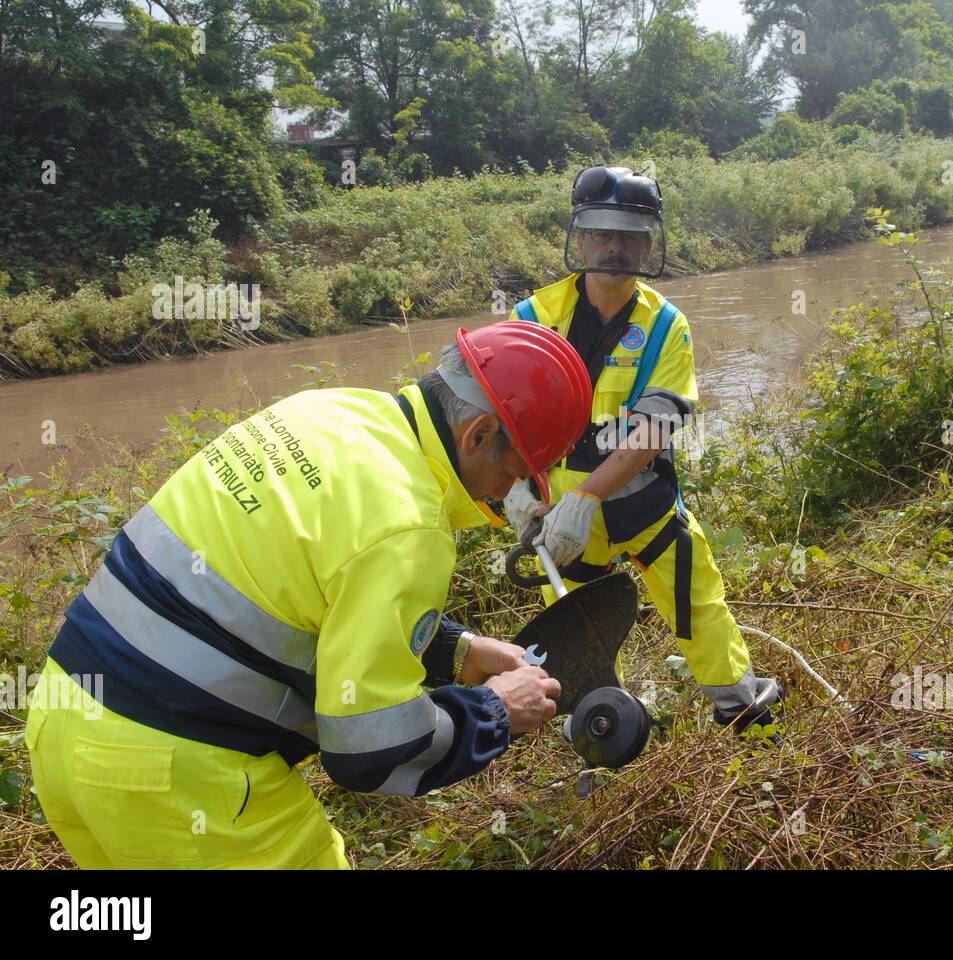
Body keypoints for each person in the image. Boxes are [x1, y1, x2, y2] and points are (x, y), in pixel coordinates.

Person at [24, 321, 592, 868]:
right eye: (519, 472)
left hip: (62, 733)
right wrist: (497, 710)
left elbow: (285, 593)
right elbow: (370, 748)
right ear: (479, 434)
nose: (508, 494)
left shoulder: (324, 411)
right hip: (179, 780)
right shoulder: (409, 525)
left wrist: (454, 651)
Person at [505, 165, 781, 733]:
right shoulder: (531, 318)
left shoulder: (665, 326)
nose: (614, 247)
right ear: (580, 238)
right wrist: (514, 487)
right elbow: (501, 416)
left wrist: (589, 495)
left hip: (642, 507)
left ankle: (740, 708)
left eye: (629, 236)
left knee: (696, 600)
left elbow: (656, 426)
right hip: (561, 520)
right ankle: (601, 725)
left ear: (647, 244)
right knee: (582, 625)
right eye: (602, 233)